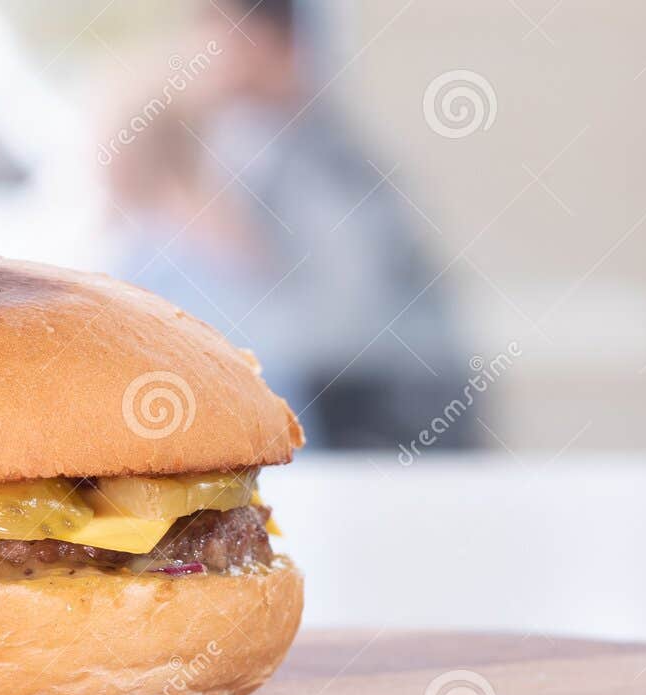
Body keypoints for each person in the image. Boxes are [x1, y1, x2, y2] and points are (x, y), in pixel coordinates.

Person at [103, 0, 469, 448]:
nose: (200, 52)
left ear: (272, 41)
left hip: (392, 430)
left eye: (216, 30)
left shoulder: (329, 163)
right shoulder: (254, 144)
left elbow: (343, 326)